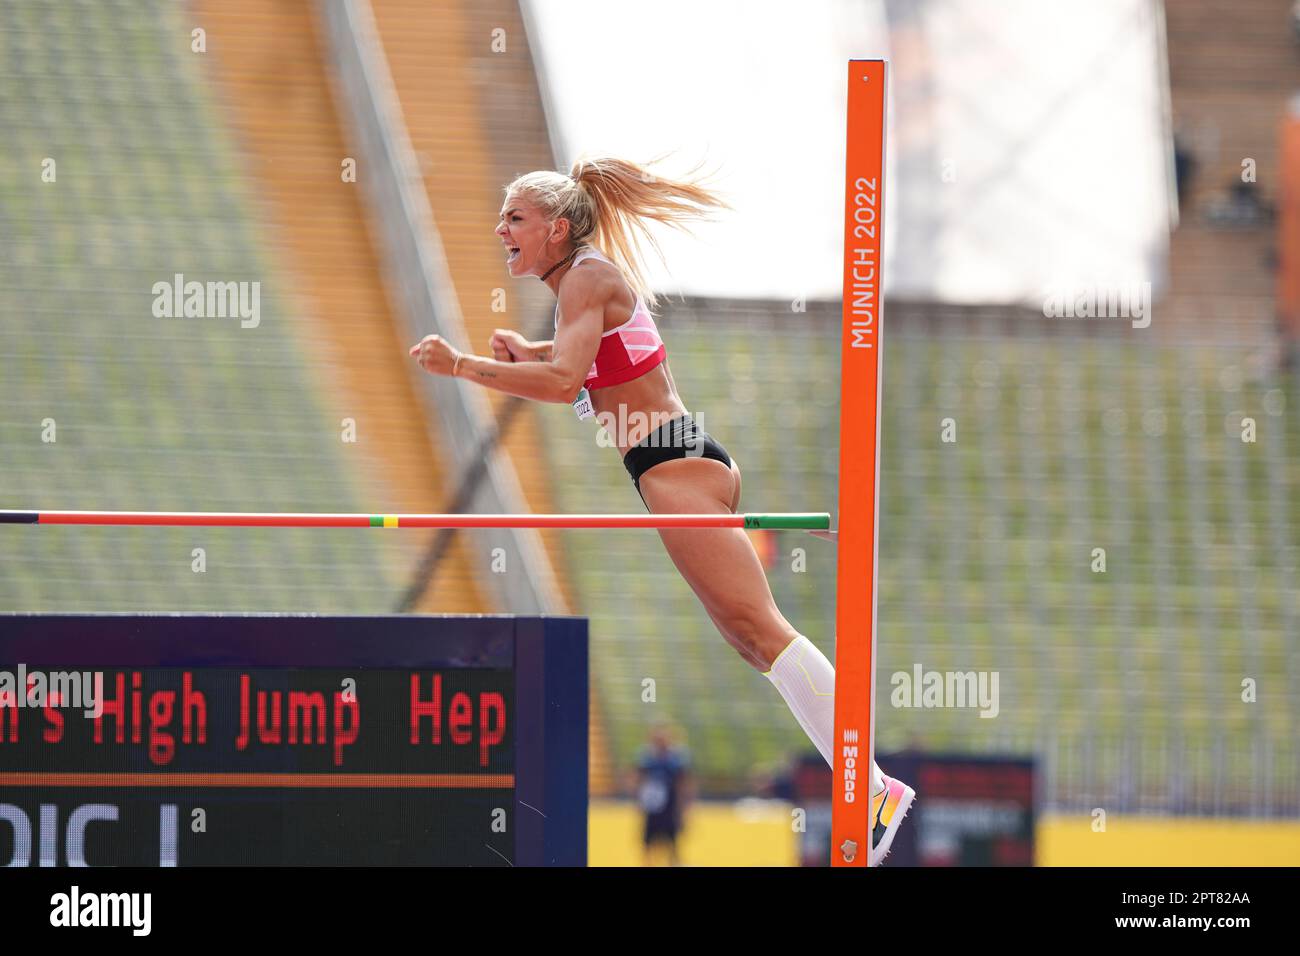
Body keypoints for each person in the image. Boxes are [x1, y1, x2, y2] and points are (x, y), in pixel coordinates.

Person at [410, 154, 913, 863]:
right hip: (679, 461)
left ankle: (875, 783)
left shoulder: (586, 276)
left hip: (675, 470)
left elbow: (562, 384)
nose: (501, 228)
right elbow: (594, 359)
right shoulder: (585, 285)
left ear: (557, 228)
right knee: (751, 642)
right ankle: (867, 780)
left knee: (762, 632)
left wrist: (463, 366)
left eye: (514, 218)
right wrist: (531, 347)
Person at [634, 724, 692, 866]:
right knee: (648, 840)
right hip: (652, 806)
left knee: (672, 840)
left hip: (669, 805)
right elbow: (639, 780)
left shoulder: (675, 759)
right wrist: (639, 800)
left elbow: (682, 783)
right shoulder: (647, 758)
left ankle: (674, 863)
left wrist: (683, 807)